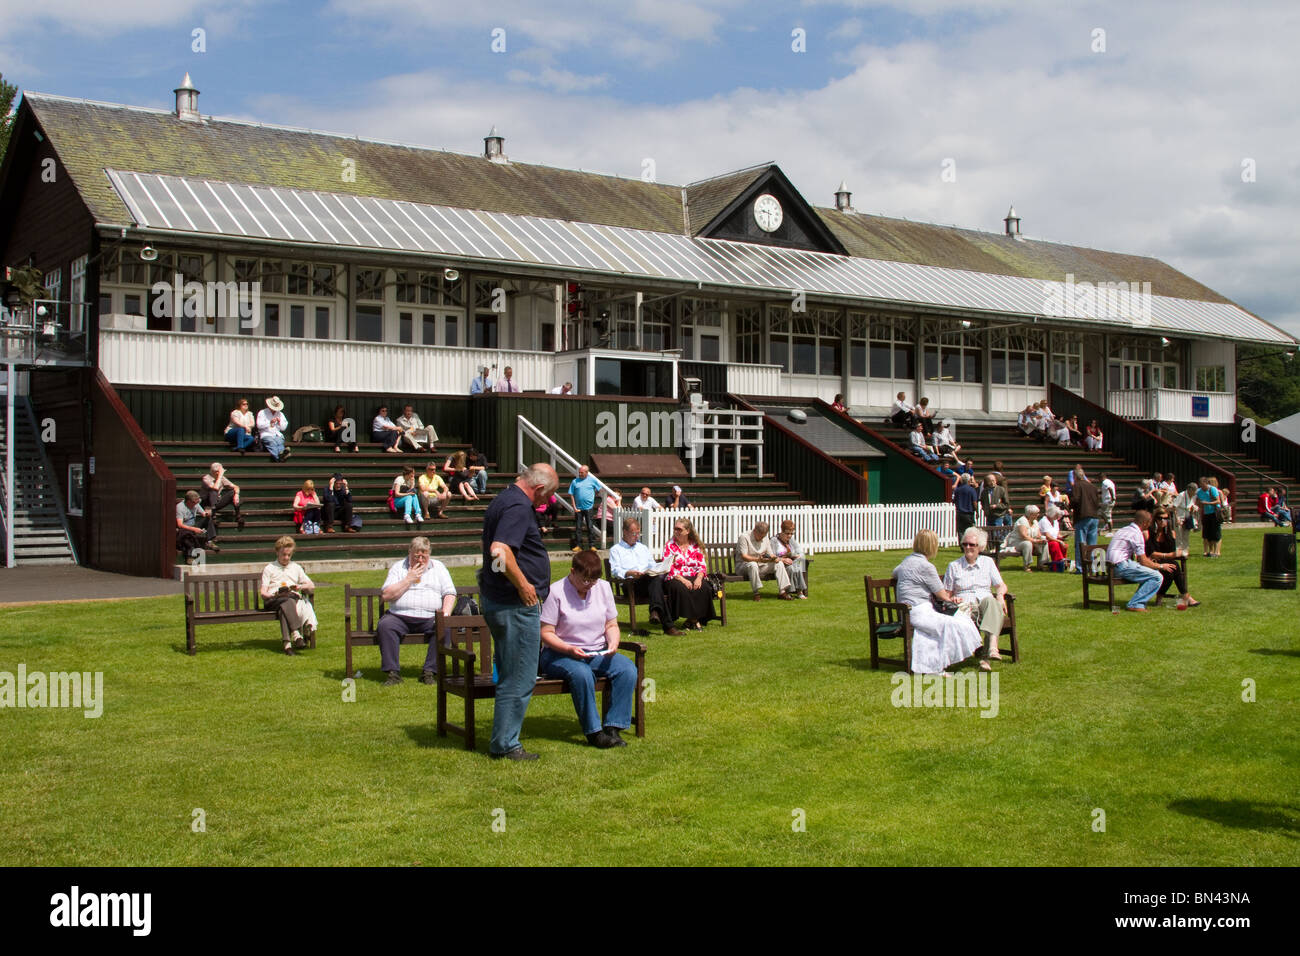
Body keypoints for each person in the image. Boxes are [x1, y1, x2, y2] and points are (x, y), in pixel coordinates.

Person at [481, 463, 560, 761]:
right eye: (547, 496)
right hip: (514, 605)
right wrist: (524, 586)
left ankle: (503, 739)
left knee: (511, 673)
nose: (545, 503)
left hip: (499, 601)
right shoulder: (517, 505)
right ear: (538, 488)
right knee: (521, 676)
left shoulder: (504, 498)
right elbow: (499, 551)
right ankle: (505, 745)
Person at [539, 550, 637, 748]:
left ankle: (613, 726)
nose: (590, 585)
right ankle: (594, 732)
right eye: (585, 580)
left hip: (595, 650)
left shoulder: (603, 588)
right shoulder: (556, 592)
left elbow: (611, 624)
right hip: (559, 653)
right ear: (572, 571)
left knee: (627, 669)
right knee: (582, 674)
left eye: (593, 581)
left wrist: (613, 643)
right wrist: (568, 649)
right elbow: (546, 633)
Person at [893, 529, 985, 674]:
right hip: (919, 611)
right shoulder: (926, 567)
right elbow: (942, 594)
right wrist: (954, 599)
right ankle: (938, 665)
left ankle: (936, 663)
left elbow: (895, 572)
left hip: (907, 612)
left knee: (959, 621)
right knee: (957, 623)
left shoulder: (906, 562)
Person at [377, 537, 457, 685]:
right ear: (409, 553)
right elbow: (386, 595)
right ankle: (393, 674)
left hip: (430, 617)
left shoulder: (438, 567)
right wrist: (409, 579)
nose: (420, 560)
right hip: (399, 616)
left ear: (429, 554)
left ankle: (429, 672)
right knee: (385, 625)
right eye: (416, 556)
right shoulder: (398, 567)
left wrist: (445, 614)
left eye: (424, 556)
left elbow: (450, 593)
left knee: (444, 627)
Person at [943, 527, 1010, 662]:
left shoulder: (988, 562)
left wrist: (1000, 596)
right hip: (966, 605)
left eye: (972, 544)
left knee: (992, 603)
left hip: (985, 602)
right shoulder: (954, 566)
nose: (968, 547)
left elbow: (1001, 585)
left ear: (980, 547)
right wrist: (952, 598)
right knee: (987, 610)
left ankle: (992, 647)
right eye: (965, 544)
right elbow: (946, 593)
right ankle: (986, 656)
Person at [608, 517, 673, 632]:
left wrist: (661, 568)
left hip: (648, 583)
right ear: (625, 532)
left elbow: (652, 565)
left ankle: (657, 613)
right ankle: (665, 623)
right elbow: (615, 570)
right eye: (634, 533)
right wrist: (629, 572)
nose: (637, 536)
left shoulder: (643, 548)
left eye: (638, 533)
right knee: (655, 581)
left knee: (656, 578)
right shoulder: (616, 550)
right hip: (630, 584)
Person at [259, 535, 317, 655]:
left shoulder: (296, 567)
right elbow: (263, 592)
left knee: (285, 606)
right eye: (283, 555)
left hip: (288, 600)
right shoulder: (269, 568)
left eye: (289, 555)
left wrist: (300, 587)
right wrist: (271, 595)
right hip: (273, 600)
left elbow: (311, 586)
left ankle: (287, 645)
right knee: (286, 600)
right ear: (277, 552)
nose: (286, 558)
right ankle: (296, 634)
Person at [1106, 510, 1175, 611]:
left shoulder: (1124, 529)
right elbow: (1143, 561)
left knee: (1152, 573)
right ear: (1145, 523)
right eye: (1150, 522)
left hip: (1112, 566)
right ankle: (1135, 604)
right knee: (1157, 577)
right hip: (1120, 566)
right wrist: (1161, 566)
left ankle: (1138, 602)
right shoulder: (1137, 534)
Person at [661, 518, 716, 631]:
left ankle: (690, 621)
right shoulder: (669, 546)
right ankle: (694, 620)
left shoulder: (695, 545)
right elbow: (668, 567)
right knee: (681, 588)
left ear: (687, 531)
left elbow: (702, 565)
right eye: (675, 529)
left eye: (679, 529)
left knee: (704, 587)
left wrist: (699, 578)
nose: (676, 531)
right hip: (675, 576)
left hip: (694, 575)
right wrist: (683, 580)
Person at [1147, 510, 1200, 609]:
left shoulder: (1170, 533)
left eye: (1166, 518)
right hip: (1151, 562)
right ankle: (1185, 596)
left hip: (1166, 561)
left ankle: (1161, 596)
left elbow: (1175, 551)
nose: (1163, 521)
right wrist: (1168, 555)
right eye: (1160, 518)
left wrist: (1178, 553)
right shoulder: (1149, 533)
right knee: (1173, 567)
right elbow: (1151, 553)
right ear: (1155, 520)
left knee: (1172, 568)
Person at [735, 521, 794, 600]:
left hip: (761, 564)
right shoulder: (744, 537)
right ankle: (756, 593)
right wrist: (758, 559)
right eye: (760, 536)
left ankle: (782, 592)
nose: (761, 538)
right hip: (744, 566)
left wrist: (775, 559)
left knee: (779, 564)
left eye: (763, 536)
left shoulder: (765, 537)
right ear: (755, 531)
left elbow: (771, 554)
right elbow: (744, 557)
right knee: (753, 564)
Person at [1069, 466, 1100, 573]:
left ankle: (1081, 568)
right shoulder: (1092, 487)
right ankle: (1094, 567)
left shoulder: (1076, 486)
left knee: (1081, 544)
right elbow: (1097, 502)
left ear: (1075, 477)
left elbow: (1075, 500)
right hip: (1094, 516)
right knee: (1092, 544)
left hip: (1082, 516)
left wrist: (1070, 506)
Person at [568, 464, 602, 552]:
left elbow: (599, 490)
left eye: (582, 472)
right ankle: (578, 545)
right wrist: (574, 507)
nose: (580, 474)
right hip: (578, 508)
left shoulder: (592, 480)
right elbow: (571, 494)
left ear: (587, 472)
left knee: (590, 526)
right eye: (579, 472)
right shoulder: (575, 481)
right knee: (578, 527)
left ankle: (592, 545)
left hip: (589, 507)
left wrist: (592, 497)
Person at [202, 462, 244, 531]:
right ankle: (213, 517)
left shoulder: (222, 478)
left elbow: (236, 487)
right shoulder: (206, 478)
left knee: (233, 493)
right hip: (207, 504)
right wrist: (220, 476)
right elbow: (215, 488)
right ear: (217, 472)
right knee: (213, 492)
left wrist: (236, 495)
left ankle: (238, 516)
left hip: (216, 503)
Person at [176, 490, 219, 557]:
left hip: (193, 525)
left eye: (197, 502)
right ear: (189, 501)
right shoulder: (180, 507)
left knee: (208, 519)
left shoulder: (196, 504)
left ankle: (209, 541)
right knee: (186, 534)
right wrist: (194, 529)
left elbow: (204, 514)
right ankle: (189, 556)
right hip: (184, 528)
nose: (196, 504)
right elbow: (180, 525)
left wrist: (207, 513)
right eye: (194, 503)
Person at [1006, 504, 1048, 571]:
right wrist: (1035, 541)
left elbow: (1038, 534)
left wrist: (1041, 539)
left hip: (1030, 541)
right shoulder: (1022, 521)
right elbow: (1024, 536)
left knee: (1044, 543)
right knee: (1027, 543)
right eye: (1036, 513)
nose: (1038, 515)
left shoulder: (1035, 522)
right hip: (1016, 542)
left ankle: (1042, 565)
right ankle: (1027, 566)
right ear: (1031, 514)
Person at [774, 519, 808, 599]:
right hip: (781, 564)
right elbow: (773, 555)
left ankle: (799, 591)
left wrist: (795, 555)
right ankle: (793, 592)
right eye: (787, 533)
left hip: (793, 562)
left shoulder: (791, 540)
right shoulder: (774, 540)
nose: (789, 536)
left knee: (799, 564)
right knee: (791, 568)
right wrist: (784, 558)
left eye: (791, 534)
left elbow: (800, 552)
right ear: (782, 531)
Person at [256, 396, 291, 462]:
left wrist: (280, 422)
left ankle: (281, 456)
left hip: (277, 434)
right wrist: (270, 422)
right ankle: (279, 457)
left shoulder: (281, 414)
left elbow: (283, 428)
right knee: (271, 442)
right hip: (266, 434)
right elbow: (259, 425)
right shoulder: (262, 412)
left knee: (279, 442)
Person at [1197, 476, 1223, 557]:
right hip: (1206, 513)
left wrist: (1208, 503)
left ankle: (1217, 551)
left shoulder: (1213, 489)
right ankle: (1211, 551)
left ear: (1207, 483)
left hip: (1214, 513)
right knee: (1208, 534)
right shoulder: (1199, 491)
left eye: (1203, 485)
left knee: (1216, 533)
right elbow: (1198, 501)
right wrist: (1200, 504)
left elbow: (1218, 501)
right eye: (1201, 485)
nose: (1202, 487)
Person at [1038, 506, 1069, 572]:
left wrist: (1061, 537)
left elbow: (1057, 534)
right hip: (1045, 542)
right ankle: (1057, 564)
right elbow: (1048, 536)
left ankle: (1063, 563)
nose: (1058, 517)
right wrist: (1059, 541)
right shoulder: (1044, 521)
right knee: (1055, 544)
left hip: (1054, 540)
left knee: (1065, 545)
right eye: (1056, 515)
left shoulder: (1055, 522)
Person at [953, 473, 979, 537]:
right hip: (969, 514)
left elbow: (955, 501)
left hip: (959, 513)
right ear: (969, 480)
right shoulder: (972, 490)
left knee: (960, 531)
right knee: (970, 531)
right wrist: (977, 511)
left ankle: (962, 545)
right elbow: (974, 502)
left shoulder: (957, 490)